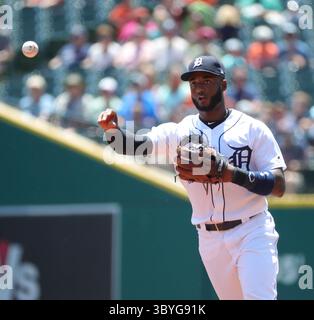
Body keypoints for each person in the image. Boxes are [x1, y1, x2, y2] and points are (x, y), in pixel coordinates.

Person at [98, 55, 286, 300]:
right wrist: (113, 132)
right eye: (194, 82)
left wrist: (232, 174)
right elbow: (133, 145)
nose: (199, 87)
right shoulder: (180, 131)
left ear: (223, 85)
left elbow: (279, 185)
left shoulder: (251, 129)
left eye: (207, 80)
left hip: (252, 229)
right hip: (209, 238)